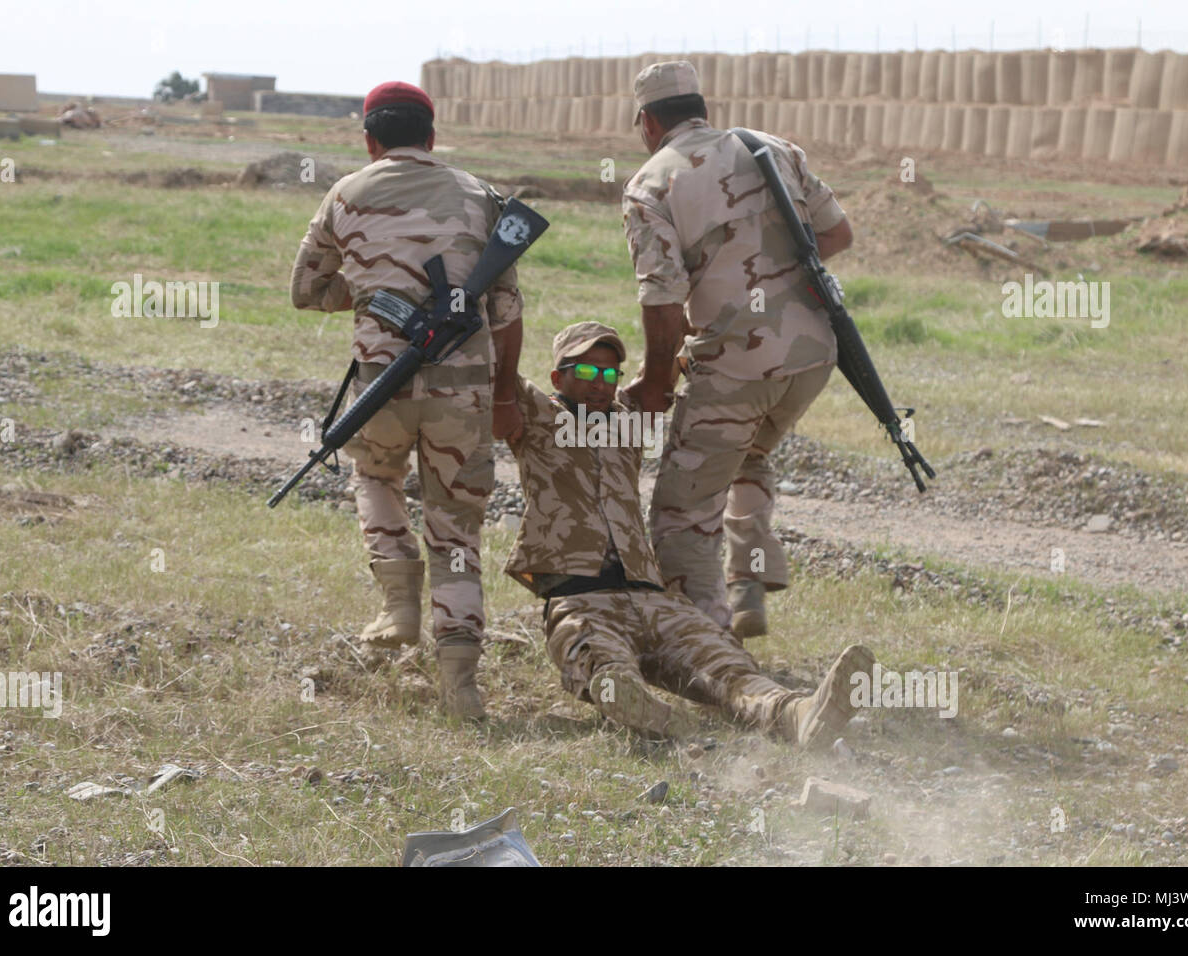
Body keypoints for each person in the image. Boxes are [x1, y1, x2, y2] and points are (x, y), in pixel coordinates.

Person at [503, 320, 873, 745]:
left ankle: (797, 714)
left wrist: (692, 303)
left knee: (726, 664)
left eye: (608, 374)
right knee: (600, 660)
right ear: (557, 377)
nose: (599, 384)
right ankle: (645, 712)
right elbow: (493, 363)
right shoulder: (536, 415)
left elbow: (664, 365)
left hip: (652, 598)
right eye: (586, 372)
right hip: (582, 599)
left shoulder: (628, 419)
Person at [290, 80, 525, 719]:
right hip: (465, 392)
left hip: (381, 388)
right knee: (456, 531)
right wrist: (505, 395)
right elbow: (504, 311)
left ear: (369, 140)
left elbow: (307, 289)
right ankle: (462, 685)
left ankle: (398, 604)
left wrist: (367, 290)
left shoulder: (345, 194)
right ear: (431, 135)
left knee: (372, 474)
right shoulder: (481, 196)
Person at [621, 61, 854, 641]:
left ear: (647, 122)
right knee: (747, 453)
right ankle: (749, 580)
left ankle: (706, 648)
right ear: (702, 107)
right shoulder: (771, 147)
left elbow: (663, 299)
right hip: (811, 357)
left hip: (735, 369)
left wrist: (655, 384)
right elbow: (837, 235)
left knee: (682, 516)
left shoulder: (651, 183)